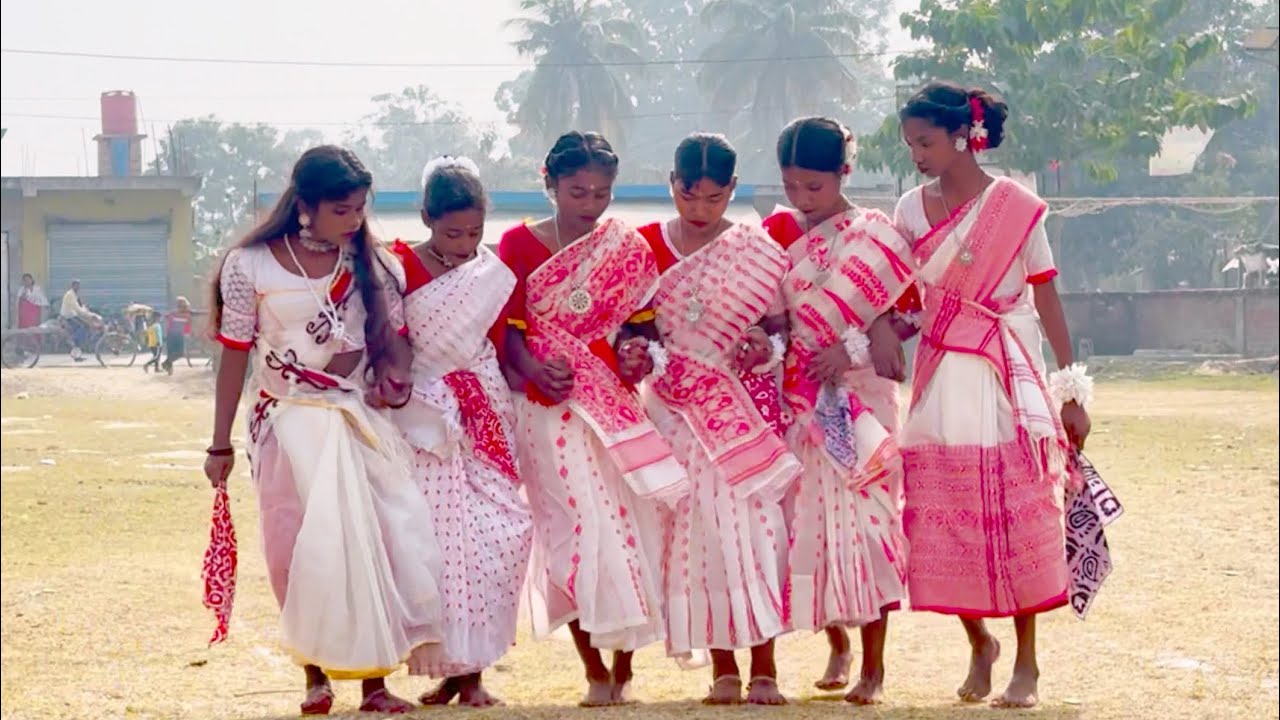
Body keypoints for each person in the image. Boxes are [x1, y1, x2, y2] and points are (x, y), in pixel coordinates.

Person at [202, 145, 443, 716]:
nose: (354, 220)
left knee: (372, 543)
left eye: (361, 208)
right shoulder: (251, 265)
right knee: (301, 549)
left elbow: (395, 341)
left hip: (354, 420)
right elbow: (234, 356)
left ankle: (376, 686)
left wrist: (396, 377)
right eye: (342, 209)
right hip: (284, 425)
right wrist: (219, 443)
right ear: (305, 206)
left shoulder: (375, 265)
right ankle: (315, 676)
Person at [891, 81, 1092, 709]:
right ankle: (979, 640)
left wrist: (1070, 387)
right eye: (910, 145)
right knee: (941, 514)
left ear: (960, 137)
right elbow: (904, 301)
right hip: (940, 374)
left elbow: (1046, 292)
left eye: (924, 142)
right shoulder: (908, 210)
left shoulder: (1016, 205)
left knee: (1017, 511)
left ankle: (1026, 662)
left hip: (1007, 368)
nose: (916, 154)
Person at [497, 131, 686, 707]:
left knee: (631, 528)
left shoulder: (625, 249)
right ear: (548, 183)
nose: (591, 202)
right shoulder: (517, 246)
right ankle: (592, 670)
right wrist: (533, 370)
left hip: (613, 406)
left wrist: (634, 353)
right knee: (575, 529)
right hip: (548, 408)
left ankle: (623, 668)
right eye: (578, 190)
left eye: (602, 192)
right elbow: (507, 329)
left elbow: (641, 329)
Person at [625, 133, 800, 706]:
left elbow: (778, 327)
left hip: (737, 409)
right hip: (672, 408)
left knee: (753, 531)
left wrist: (761, 347)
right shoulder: (644, 245)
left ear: (732, 189)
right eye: (688, 196)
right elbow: (633, 327)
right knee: (697, 534)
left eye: (713, 199)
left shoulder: (755, 250)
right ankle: (723, 669)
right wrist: (636, 351)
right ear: (670, 185)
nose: (699, 211)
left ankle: (766, 667)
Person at [762, 116, 919, 705]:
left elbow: (909, 314)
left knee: (870, 527)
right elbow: (774, 319)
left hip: (861, 398)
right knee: (809, 527)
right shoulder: (779, 235)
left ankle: (874, 669)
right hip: (800, 395)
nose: (803, 200)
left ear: (845, 173)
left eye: (815, 188)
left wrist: (851, 346)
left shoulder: (878, 235)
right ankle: (836, 640)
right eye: (792, 187)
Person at [388, 156, 533, 708]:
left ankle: (474, 668)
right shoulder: (400, 267)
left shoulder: (491, 272)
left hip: (484, 409)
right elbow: (392, 337)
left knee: (499, 532)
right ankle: (453, 670)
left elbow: (500, 343)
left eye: (475, 231)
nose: (465, 243)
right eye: (452, 232)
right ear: (426, 217)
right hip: (425, 419)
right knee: (439, 545)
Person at [59, 279, 100, 361]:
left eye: (78, 285)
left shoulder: (75, 295)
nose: (77, 287)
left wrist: (89, 313)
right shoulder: (70, 294)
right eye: (75, 285)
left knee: (86, 327)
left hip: (73, 315)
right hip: (68, 316)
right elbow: (77, 308)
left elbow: (81, 306)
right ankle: (72, 340)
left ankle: (77, 354)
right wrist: (90, 315)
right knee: (83, 328)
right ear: (72, 286)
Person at [161, 296, 193, 374]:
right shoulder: (173, 313)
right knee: (171, 354)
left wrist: (188, 333)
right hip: (171, 335)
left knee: (180, 353)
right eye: (183, 306)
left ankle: (166, 363)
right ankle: (169, 369)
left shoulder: (187, 314)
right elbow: (166, 322)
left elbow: (188, 324)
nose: (185, 307)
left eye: (185, 306)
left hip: (179, 336)